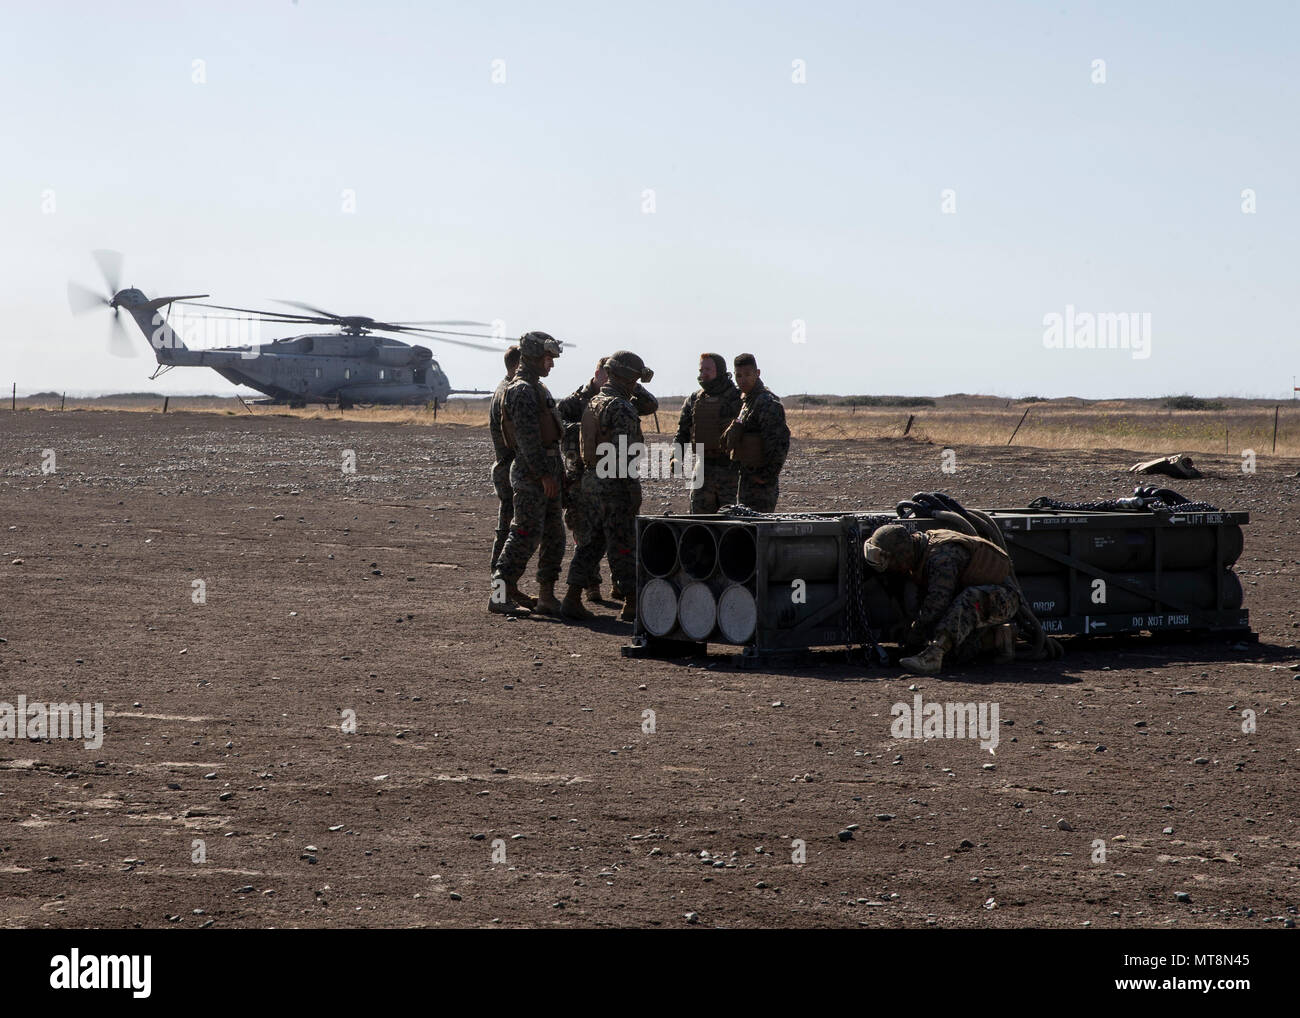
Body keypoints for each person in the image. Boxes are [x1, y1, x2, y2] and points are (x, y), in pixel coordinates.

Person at [559, 358, 658, 618]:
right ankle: (631, 603)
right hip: (616, 483)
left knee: (590, 542)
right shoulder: (622, 407)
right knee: (622, 543)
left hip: (591, 481)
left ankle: (572, 597)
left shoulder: (593, 402)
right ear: (629, 378)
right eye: (635, 379)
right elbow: (625, 453)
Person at [862, 524, 1021, 675]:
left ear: (902, 555)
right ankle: (1000, 638)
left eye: (891, 561)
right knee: (956, 654)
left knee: (969, 599)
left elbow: (937, 602)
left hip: (1001, 599)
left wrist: (915, 632)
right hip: (981, 602)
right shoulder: (921, 552)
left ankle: (933, 656)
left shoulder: (941, 557)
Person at [490, 332, 566, 616]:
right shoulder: (522, 391)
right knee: (523, 535)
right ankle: (499, 595)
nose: (551, 364)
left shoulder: (538, 388)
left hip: (548, 473)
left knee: (555, 536)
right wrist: (544, 475)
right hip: (532, 476)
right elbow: (527, 441)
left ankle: (547, 596)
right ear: (534, 357)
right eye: (548, 358)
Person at [487, 345, 531, 606]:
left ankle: (506, 590)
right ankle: (500, 593)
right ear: (517, 365)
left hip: (507, 468)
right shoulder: (509, 393)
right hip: (511, 469)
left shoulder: (503, 389)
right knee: (510, 533)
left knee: (508, 531)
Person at [673, 353, 741, 513]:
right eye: (701, 369)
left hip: (732, 471)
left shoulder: (737, 398)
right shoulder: (694, 399)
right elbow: (682, 433)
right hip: (703, 468)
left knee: (735, 521)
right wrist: (676, 457)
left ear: (720, 370)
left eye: (708, 369)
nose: (703, 373)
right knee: (699, 521)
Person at [721, 353, 790, 512]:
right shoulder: (747, 402)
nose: (742, 380)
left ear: (757, 373)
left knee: (758, 527)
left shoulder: (766, 402)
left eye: (747, 374)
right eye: (738, 375)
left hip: (761, 485)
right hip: (747, 478)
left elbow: (779, 443)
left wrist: (766, 476)